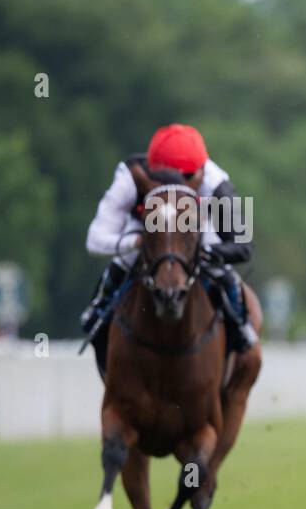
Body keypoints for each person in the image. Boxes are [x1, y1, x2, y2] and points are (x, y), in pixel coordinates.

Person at [81, 123, 256, 372]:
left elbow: (244, 247)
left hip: (197, 235)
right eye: (163, 180)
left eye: (182, 180)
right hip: (147, 233)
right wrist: (137, 242)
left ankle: (241, 327)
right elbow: (95, 239)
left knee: (223, 273)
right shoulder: (129, 176)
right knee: (123, 262)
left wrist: (204, 253)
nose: (173, 188)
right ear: (150, 171)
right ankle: (97, 314)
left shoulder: (219, 187)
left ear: (199, 174)